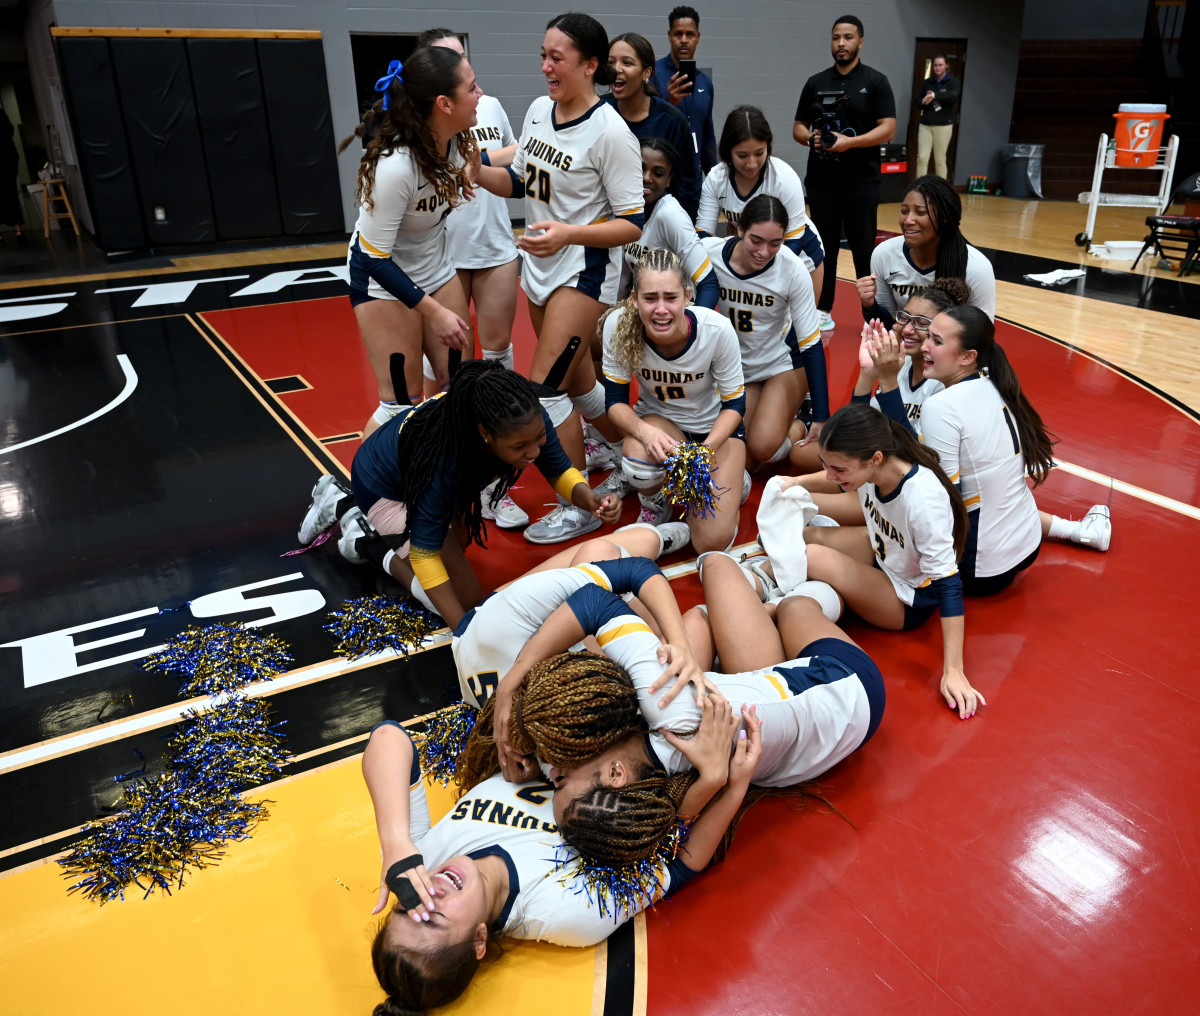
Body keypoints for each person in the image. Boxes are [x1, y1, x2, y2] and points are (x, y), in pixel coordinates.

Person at [363, 678, 760, 1014]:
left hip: (589, 711)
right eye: (434, 917)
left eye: (407, 905)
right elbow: (678, 866)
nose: (428, 893)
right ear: (479, 940)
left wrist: (395, 840)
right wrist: (728, 786)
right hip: (653, 751)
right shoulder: (563, 911)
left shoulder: (416, 863)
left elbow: (389, 737)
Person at [479, 557, 883, 858]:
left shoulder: (652, 797)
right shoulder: (670, 708)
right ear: (617, 774)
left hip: (800, 744)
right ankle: (784, 601)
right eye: (561, 781)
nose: (553, 768)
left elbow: (682, 853)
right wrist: (513, 679)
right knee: (730, 574)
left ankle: (760, 613)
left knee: (698, 632)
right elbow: (594, 603)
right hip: (847, 683)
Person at [474, 13, 645, 545]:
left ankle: (579, 506)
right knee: (579, 384)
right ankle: (632, 453)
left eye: (557, 58)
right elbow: (522, 179)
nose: (546, 67)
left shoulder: (611, 133)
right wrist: (474, 171)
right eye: (543, 56)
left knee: (545, 392)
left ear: (590, 65)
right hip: (542, 265)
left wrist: (568, 234)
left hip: (583, 271)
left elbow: (631, 223)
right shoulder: (538, 111)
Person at [296, 361, 619, 629]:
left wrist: (589, 498)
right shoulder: (443, 460)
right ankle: (360, 530)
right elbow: (425, 555)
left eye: (538, 439)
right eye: (520, 446)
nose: (534, 452)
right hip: (384, 487)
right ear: (484, 434)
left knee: (454, 562)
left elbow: (558, 469)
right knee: (463, 601)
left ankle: (368, 530)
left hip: (436, 476)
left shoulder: (524, 415)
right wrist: (462, 630)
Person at [769, 403, 984, 717]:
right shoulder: (874, 463)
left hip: (906, 597)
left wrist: (954, 670)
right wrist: (798, 482)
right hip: (883, 553)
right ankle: (784, 582)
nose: (830, 475)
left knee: (812, 556)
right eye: (826, 465)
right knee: (801, 535)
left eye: (839, 469)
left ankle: (768, 595)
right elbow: (836, 473)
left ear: (875, 460)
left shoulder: (923, 501)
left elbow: (949, 587)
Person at [916, 306, 1112, 595]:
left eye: (937, 341)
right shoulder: (993, 383)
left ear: (968, 357)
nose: (924, 346)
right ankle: (1076, 531)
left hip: (979, 568)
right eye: (928, 336)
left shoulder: (940, 406)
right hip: (1025, 544)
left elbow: (944, 499)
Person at [341, 47, 480, 436]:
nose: (480, 93)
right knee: (400, 405)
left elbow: (472, 161)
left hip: (435, 268)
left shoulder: (458, 140)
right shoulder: (395, 167)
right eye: (472, 87)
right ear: (444, 104)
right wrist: (434, 312)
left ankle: (461, 474)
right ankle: (367, 477)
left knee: (462, 388)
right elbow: (373, 259)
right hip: (382, 280)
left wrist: (469, 173)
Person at [420, 29, 527, 531]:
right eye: (449, 57)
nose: (461, 65)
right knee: (449, 369)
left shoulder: (490, 105)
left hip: (494, 245)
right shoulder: (421, 123)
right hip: (443, 252)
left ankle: (495, 481)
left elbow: (516, 155)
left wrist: (478, 163)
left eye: (463, 55)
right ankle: (444, 463)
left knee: (498, 356)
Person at [598, 249, 746, 553]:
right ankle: (656, 503)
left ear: (688, 296)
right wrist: (644, 432)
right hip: (662, 424)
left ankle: (730, 479)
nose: (661, 309)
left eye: (671, 297)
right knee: (636, 456)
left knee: (710, 542)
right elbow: (615, 403)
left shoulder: (716, 330)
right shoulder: (617, 325)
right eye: (650, 298)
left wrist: (704, 452)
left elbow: (735, 406)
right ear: (634, 298)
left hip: (714, 436)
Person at [788, 280, 964, 482]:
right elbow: (856, 427)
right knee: (801, 453)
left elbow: (919, 457)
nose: (907, 329)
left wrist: (888, 382)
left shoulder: (946, 381)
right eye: (904, 318)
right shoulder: (898, 361)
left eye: (922, 323)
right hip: (879, 455)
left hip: (910, 470)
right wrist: (867, 372)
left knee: (837, 474)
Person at [700, 195, 826, 467]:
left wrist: (821, 415)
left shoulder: (792, 269)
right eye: (756, 240)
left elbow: (812, 344)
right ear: (739, 229)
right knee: (740, 456)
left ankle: (801, 421)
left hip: (784, 363)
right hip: (740, 366)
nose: (764, 251)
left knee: (761, 447)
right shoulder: (708, 253)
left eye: (775, 243)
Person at [793, 15, 896, 333]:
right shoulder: (815, 82)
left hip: (862, 179)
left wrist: (850, 143)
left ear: (860, 42)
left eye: (848, 37)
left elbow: (888, 128)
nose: (841, 43)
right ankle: (823, 308)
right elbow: (798, 127)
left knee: (863, 247)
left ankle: (873, 313)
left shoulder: (875, 81)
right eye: (836, 37)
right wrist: (810, 139)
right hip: (822, 180)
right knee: (824, 248)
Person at [697, 105, 825, 298]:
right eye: (742, 155)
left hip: (797, 256)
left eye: (759, 153)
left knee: (798, 319)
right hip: (752, 259)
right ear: (728, 150)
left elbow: (795, 239)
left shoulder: (783, 178)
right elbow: (703, 236)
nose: (752, 163)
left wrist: (760, 270)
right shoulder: (716, 178)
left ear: (768, 147)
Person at [856, 175, 995, 328]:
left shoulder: (976, 267)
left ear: (945, 218)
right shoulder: (884, 254)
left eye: (920, 212)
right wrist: (869, 305)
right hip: (905, 338)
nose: (908, 220)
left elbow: (982, 333)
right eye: (904, 211)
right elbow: (887, 323)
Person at [604, 33, 701, 221]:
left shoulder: (672, 121)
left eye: (627, 63)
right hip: (607, 223)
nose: (616, 69)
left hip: (657, 225)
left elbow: (688, 187)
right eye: (611, 62)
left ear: (646, 73)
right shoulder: (599, 113)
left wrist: (680, 230)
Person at [622, 137, 718, 309]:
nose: (647, 178)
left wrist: (692, 323)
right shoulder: (625, 209)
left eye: (658, 173)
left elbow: (708, 283)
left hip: (676, 312)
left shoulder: (670, 214)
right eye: (640, 169)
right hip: (648, 308)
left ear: (668, 180)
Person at [650, 6, 717, 174]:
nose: (684, 40)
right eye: (678, 34)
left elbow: (708, 138)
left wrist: (714, 179)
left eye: (690, 34)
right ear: (669, 36)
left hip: (694, 176)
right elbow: (647, 128)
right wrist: (669, 103)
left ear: (698, 37)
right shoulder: (654, 75)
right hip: (662, 175)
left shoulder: (705, 83)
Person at [915, 56, 961, 180]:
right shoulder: (927, 82)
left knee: (940, 159)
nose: (937, 68)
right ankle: (920, 186)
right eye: (935, 65)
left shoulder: (953, 82)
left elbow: (952, 96)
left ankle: (941, 187)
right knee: (922, 158)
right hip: (926, 125)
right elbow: (917, 102)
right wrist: (924, 100)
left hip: (943, 125)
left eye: (940, 65)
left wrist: (934, 95)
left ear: (946, 65)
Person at [0, 107, 27, 248]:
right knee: (10, 193)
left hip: (6, 158)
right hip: (7, 158)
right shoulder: (1, 114)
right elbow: (10, 131)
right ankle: (18, 229)